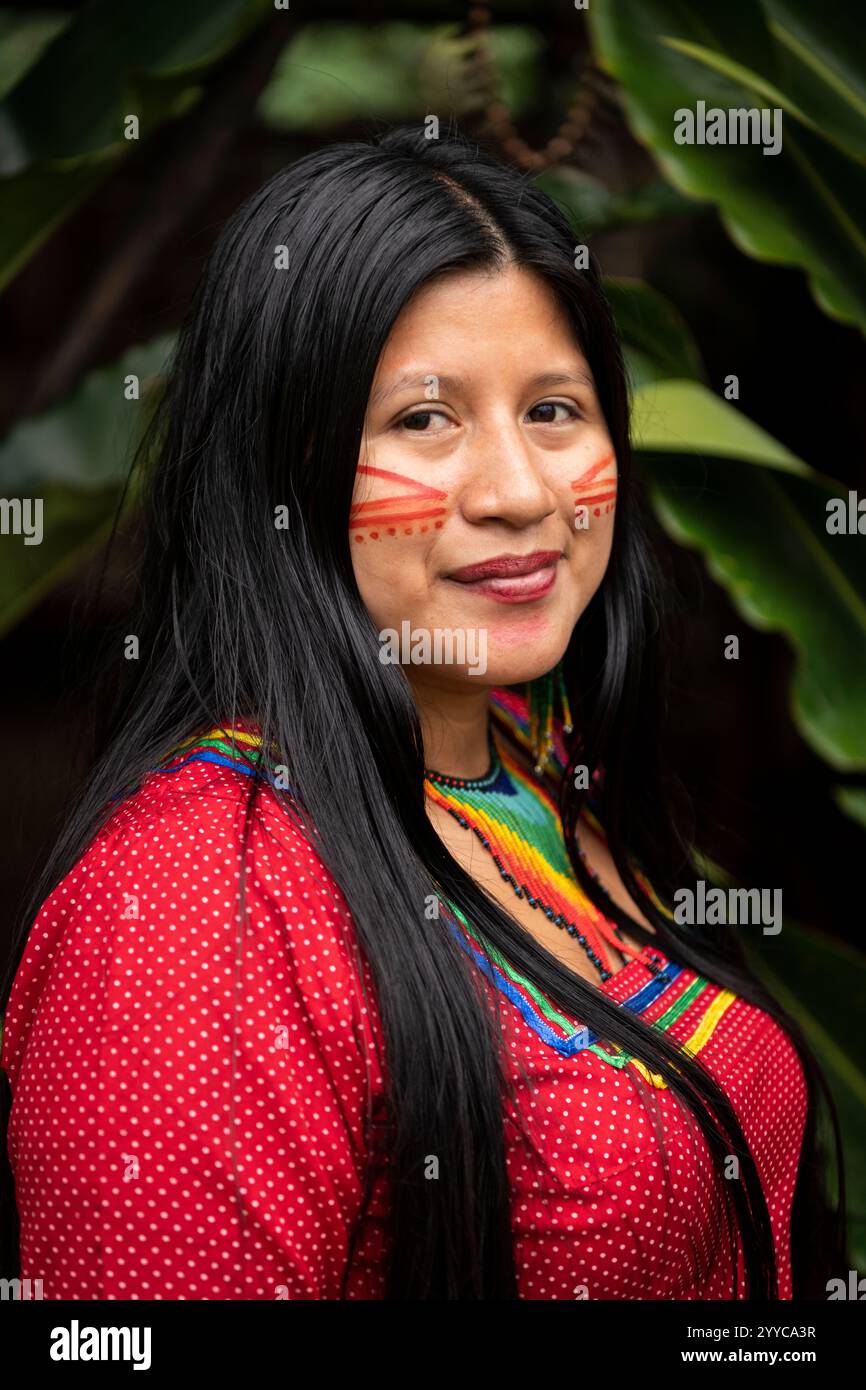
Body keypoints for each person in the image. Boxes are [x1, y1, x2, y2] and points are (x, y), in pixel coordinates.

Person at [0, 125, 844, 1300]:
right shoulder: (195, 902)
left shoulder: (539, 772)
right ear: (287, 469)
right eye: (423, 420)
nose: (517, 494)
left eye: (554, 409)